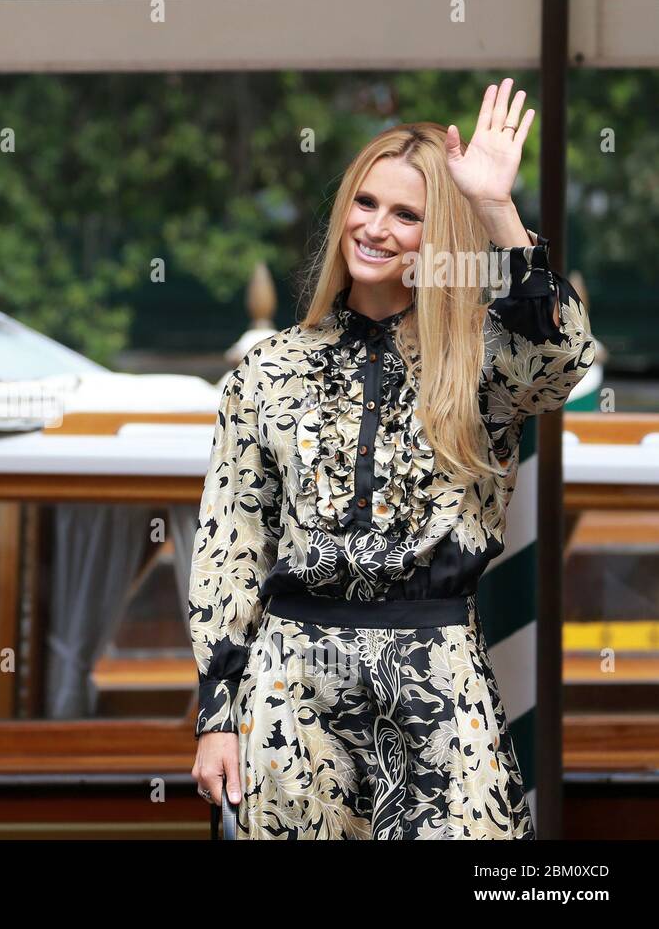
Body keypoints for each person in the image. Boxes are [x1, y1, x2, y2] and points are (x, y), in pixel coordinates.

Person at [187, 78, 596, 840]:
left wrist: (495, 210)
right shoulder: (266, 369)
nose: (376, 227)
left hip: (438, 670)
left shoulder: (478, 360)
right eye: (365, 203)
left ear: (435, 235)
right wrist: (216, 712)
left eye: (406, 214)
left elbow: (561, 361)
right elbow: (231, 545)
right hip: (291, 684)